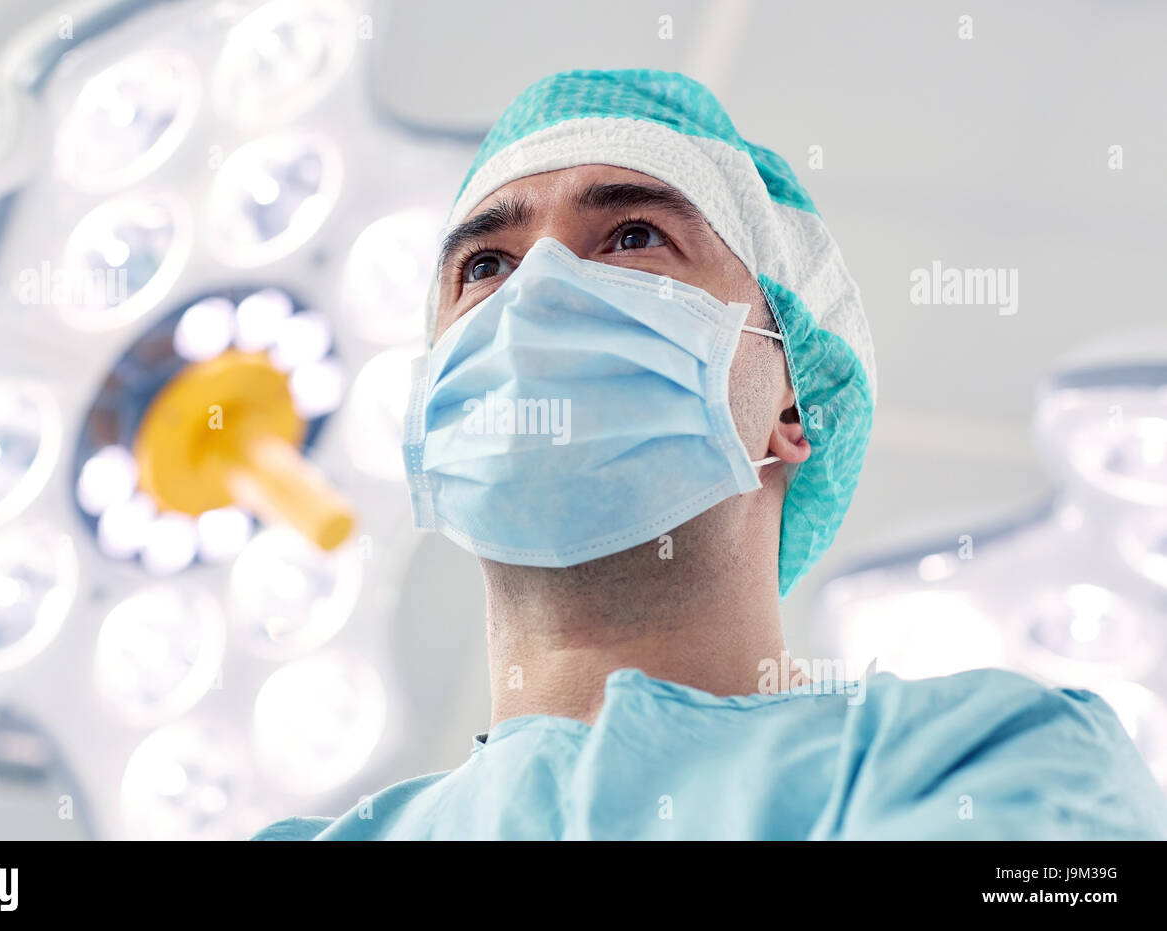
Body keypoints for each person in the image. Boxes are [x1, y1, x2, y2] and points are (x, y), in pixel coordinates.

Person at [252, 69, 1167, 840]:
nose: (533, 296)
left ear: (790, 401)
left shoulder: (999, 761)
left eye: (633, 237)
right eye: (484, 266)